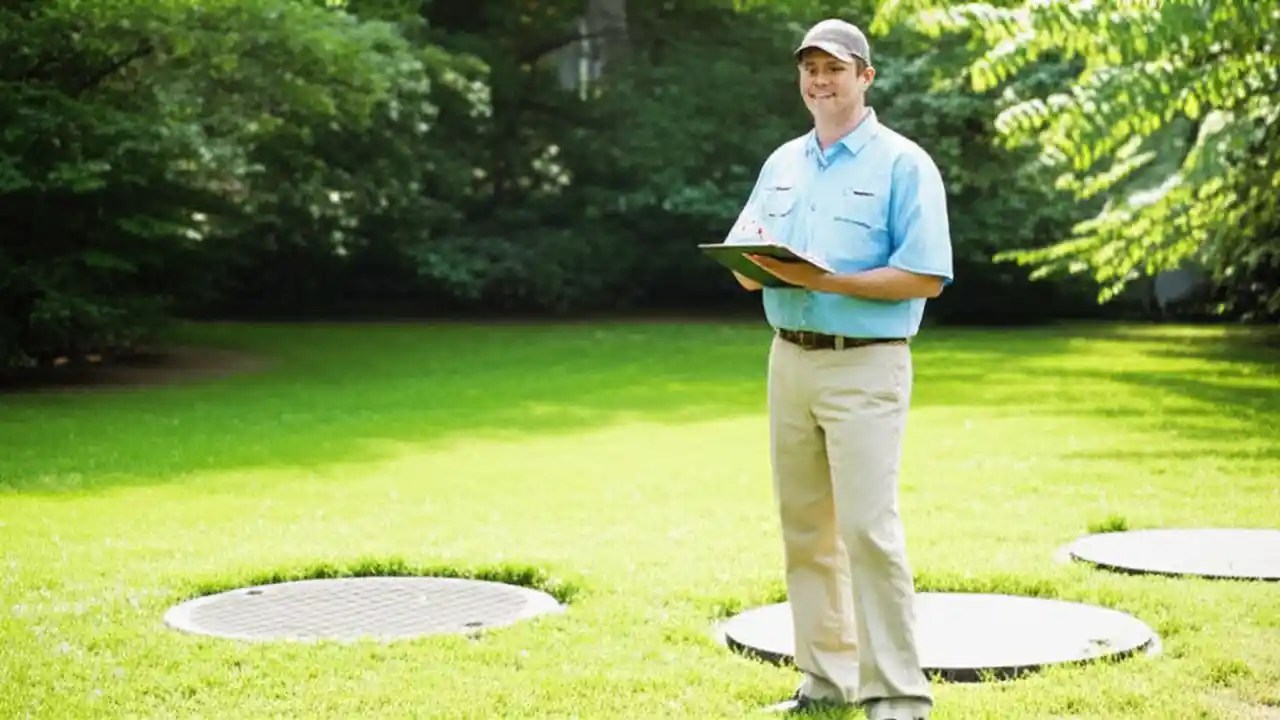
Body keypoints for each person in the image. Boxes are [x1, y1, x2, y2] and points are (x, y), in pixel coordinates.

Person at [721, 17, 953, 720]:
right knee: (805, 529)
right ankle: (824, 682)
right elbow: (745, 262)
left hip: (866, 368)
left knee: (867, 531)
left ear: (865, 77)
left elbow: (926, 277)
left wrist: (829, 283)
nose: (819, 82)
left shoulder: (903, 164)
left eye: (834, 69)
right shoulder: (782, 163)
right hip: (787, 360)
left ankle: (899, 695)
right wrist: (753, 268)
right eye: (809, 70)